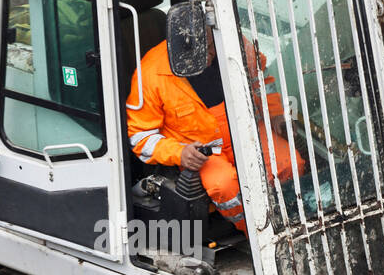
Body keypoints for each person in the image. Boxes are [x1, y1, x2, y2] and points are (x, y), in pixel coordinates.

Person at [126, 35, 299, 231]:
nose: (210, 55)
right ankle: (258, 233)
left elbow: (261, 81)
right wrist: (180, 153)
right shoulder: (151, 72)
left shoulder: (231, 36)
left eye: (211, 46)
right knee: (224, 186)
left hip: (246, 131)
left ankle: (292, 222)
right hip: (203, 151)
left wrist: (275, 113)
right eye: (204, 48)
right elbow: (140, 137)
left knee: (289, 163)